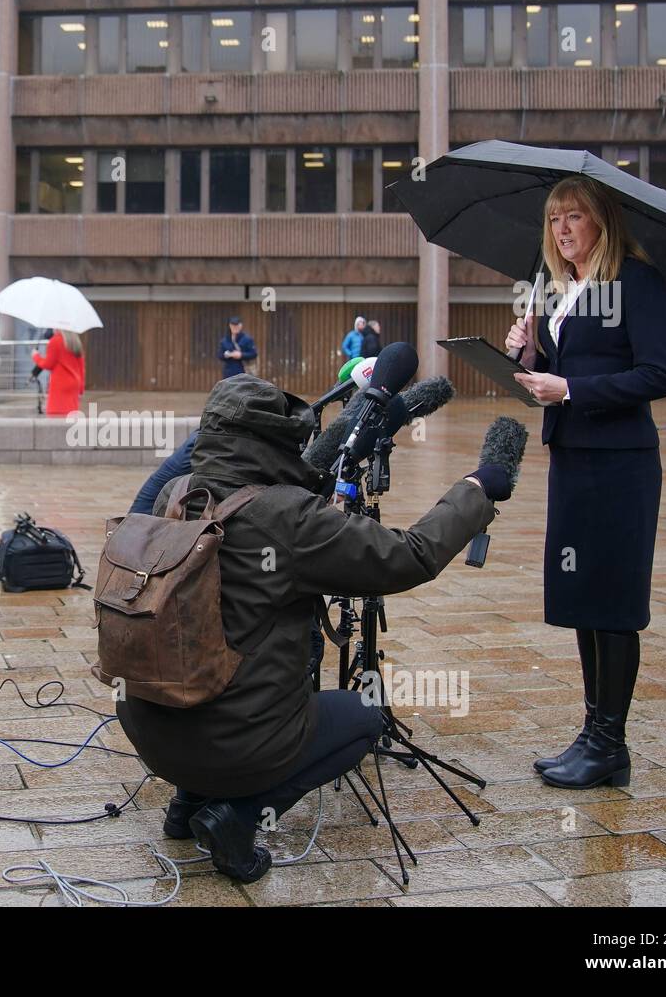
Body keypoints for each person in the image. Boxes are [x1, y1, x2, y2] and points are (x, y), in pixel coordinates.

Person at [117, 375, 508, 882]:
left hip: (150, 729)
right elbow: (408, 556)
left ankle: (185, 804)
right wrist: (474, 492)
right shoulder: (286, 514)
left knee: (215, 668)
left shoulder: (176, 491)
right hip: (234, 744)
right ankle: (237, 816)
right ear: (279, 438)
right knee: (366, 715)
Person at [506, 174, 666, 791]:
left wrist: (572, 389)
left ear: (601, 221)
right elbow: (551, 374)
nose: (562, 230)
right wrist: (527, 354)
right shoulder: (556, 291)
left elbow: (658, 374)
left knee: (614, 603)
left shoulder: (638, 280)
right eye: (554, 221)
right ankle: (593, 732)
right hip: (572, 458)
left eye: (574, 217)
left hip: (622, 464)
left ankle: (611, 744)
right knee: (582, 601)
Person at [33, 329, 86, 417]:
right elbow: (82, 368)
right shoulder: (76, 342)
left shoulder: (55, 341)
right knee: (71, 415)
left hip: (60, 384)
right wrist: (81, 390)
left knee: (56, 415)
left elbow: (48, 364)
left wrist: (36, 356)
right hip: (74, 384)